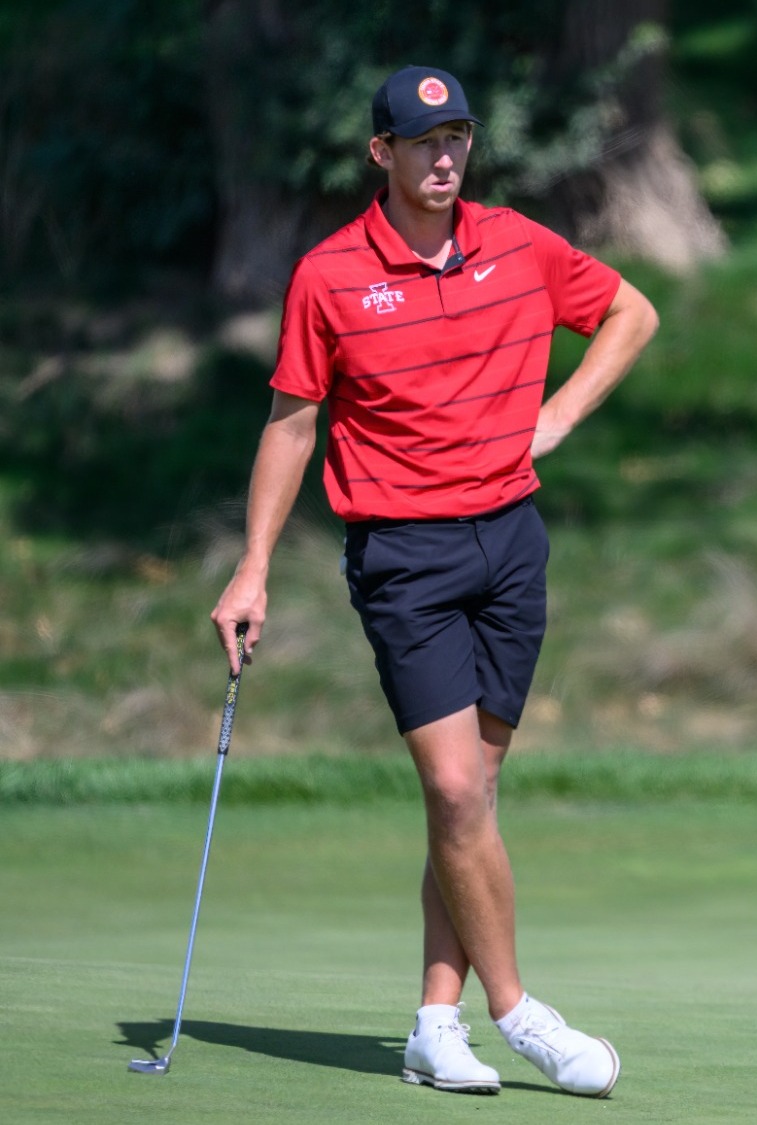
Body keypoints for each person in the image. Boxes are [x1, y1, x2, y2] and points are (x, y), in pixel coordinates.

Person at [208, 65, 659, 1098]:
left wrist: (561, 414)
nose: (443, 156)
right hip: (402, 556)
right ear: (382, 155)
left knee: (473, 802)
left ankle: (431, 1023)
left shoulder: (518, 242)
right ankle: (519, 1013)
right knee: (455, 789)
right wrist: (253, 567)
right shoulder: (328, 275)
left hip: (510, 544)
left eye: (455, 136)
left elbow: (632, 313)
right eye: (422, 142)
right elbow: (290, 422)